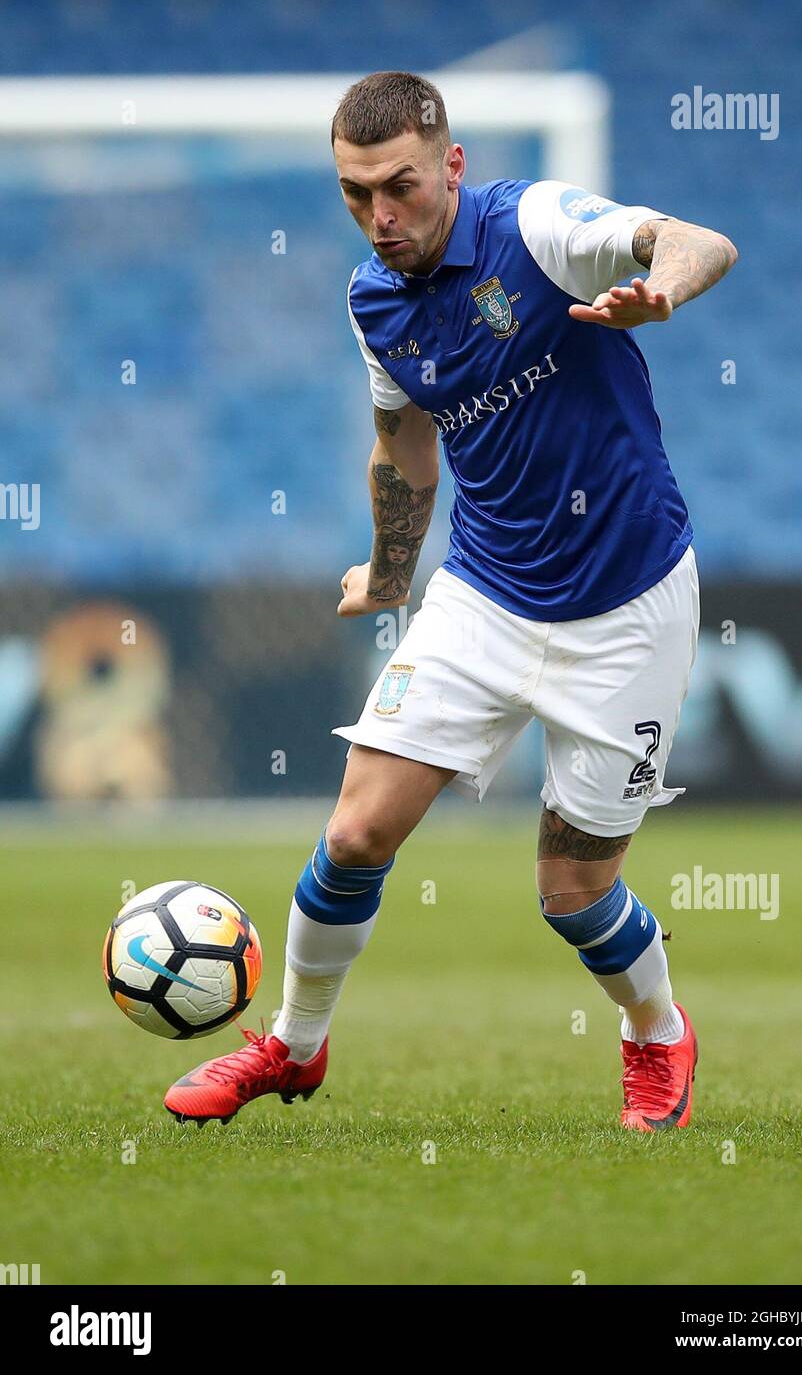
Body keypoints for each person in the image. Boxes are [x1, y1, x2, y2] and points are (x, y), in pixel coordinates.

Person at [164, 70, 737, 1132]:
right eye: (352, 193)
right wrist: (389, 572)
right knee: (353, 834)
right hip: (483, 596)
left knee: (571, 895)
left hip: (628, 604)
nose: (380, 216)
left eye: (401, 186)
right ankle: (291, 1047)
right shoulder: (371, 298)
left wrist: (662, 288)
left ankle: (654, 1031)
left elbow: (697, 239)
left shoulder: (535, 225)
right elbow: (404, 440)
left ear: (451, 166)